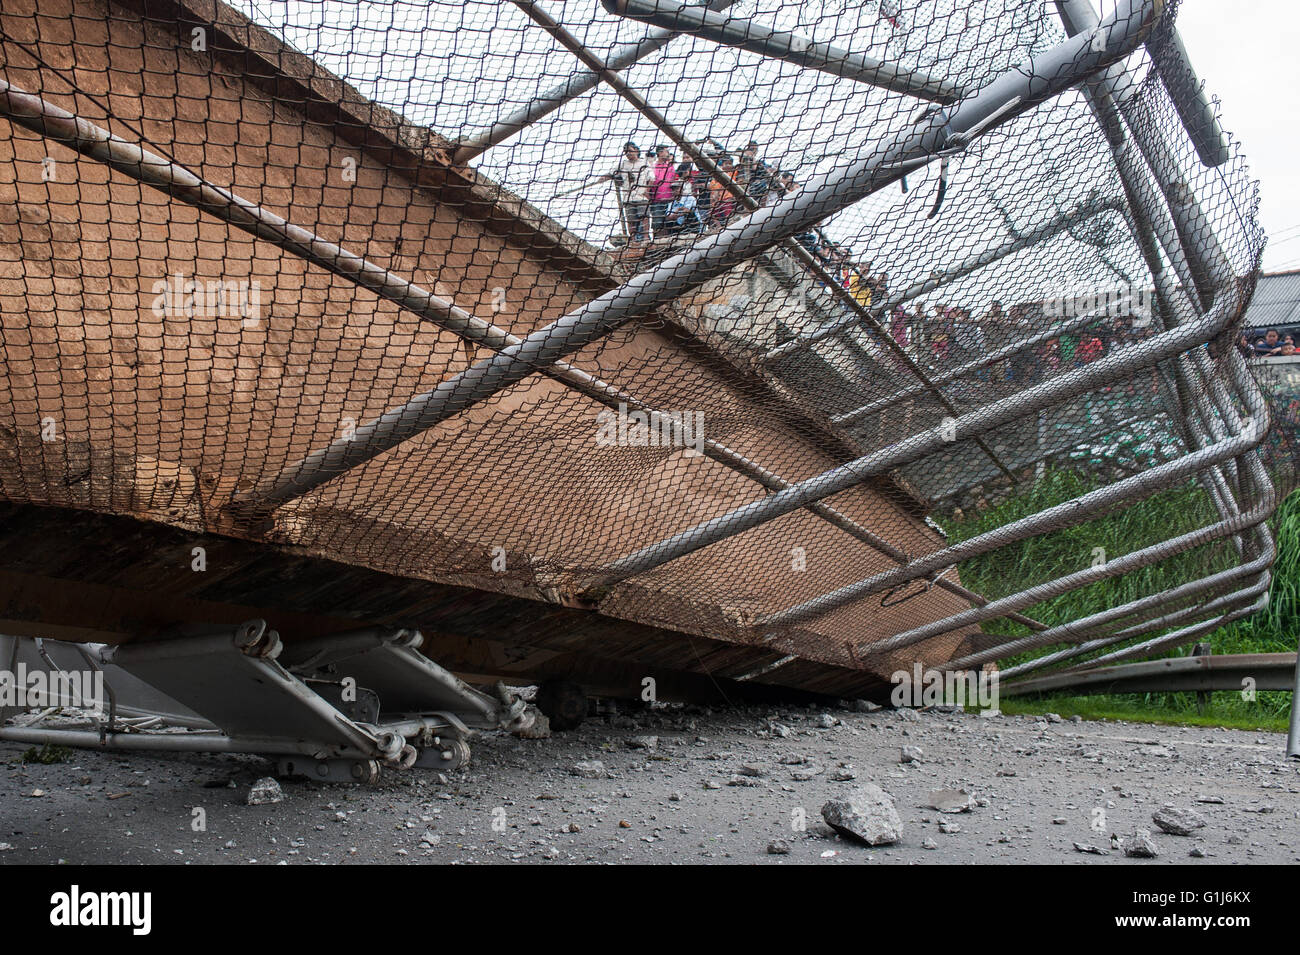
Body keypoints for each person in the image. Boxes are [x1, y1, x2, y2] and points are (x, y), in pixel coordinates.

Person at [608, 142, 652, 243]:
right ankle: (633, 240)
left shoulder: (644, 163)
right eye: (626, 152)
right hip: (628, 196)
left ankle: (646, 237)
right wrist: (604, 178)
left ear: (636, 150)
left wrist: (647, 191)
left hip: (641, 195)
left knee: (644, 216)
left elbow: (651, 177)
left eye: (630, 151)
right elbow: (611, 172)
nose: (628, 153)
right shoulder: (623, 164)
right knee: (631, 219)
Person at [649, 145, 677, 237]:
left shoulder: (670, 166)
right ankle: (657, 243)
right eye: (666, 151)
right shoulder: (653, 167)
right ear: (660, 153)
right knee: (657, 223)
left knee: (669, 223)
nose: (668, 153)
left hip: (670, 199)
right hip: (657, 200)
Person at [708, 157, 738, 225]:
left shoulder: (731, 174)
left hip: (727, 198)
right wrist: (712, 205)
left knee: (727, 211)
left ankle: (730, 223)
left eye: (730, 164)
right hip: (717, 201)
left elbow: (737, 168)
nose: (728, 165)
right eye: (726, 164)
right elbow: (712, 194)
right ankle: (719, 227)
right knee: (712, 214)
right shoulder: (713, 181)